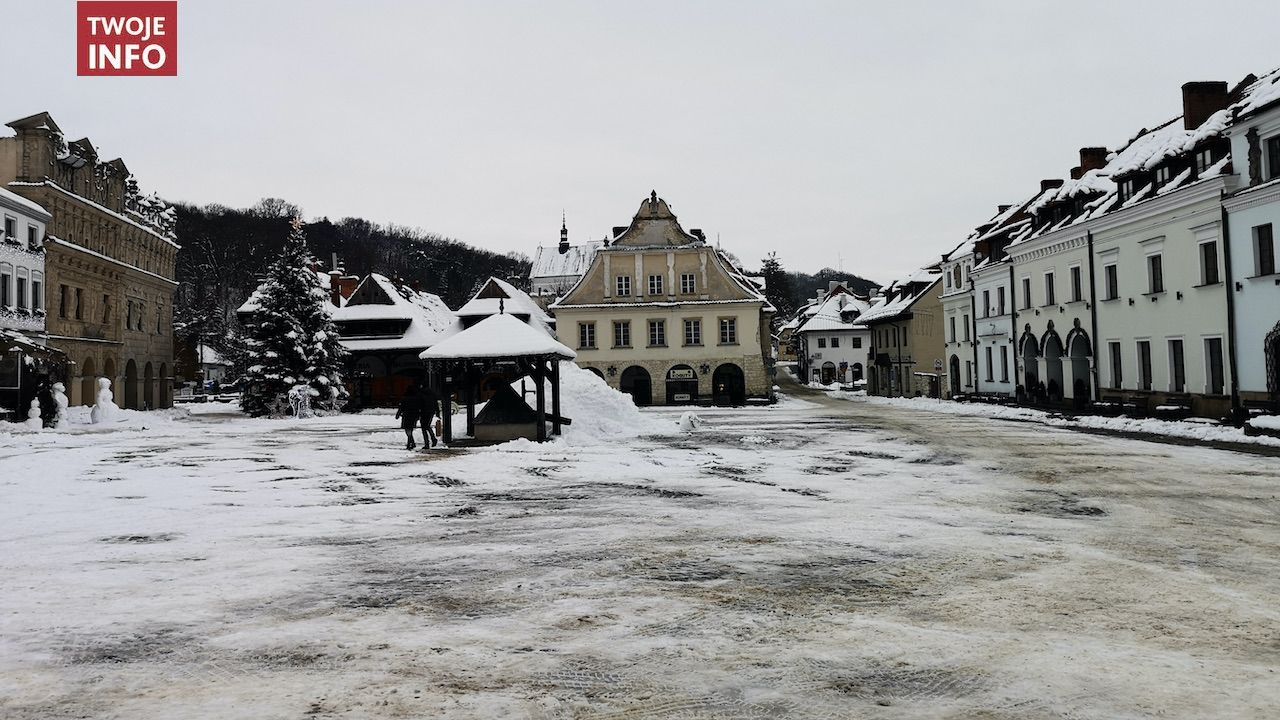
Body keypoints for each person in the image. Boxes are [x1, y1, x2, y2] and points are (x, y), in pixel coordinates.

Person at [394, 383, 424, 450]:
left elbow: (401, 408)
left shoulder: (405, 398)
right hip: (414, 416)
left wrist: (398, 415)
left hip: (406, 416)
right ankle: (412, 443)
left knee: (407, 430)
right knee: (410, 429)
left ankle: (410, 443)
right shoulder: (417, 398)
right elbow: (419, 407)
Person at [418, 382, 440, 448]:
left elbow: (419, 404)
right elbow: (436, 404)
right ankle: (433, 439)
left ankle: (427, 443)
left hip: (423, 412)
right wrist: (437, 412)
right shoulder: (432, 393)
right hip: (431, 412)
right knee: (427, 426)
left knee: (424, 428)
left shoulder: (421, 394)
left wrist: (418, 413)